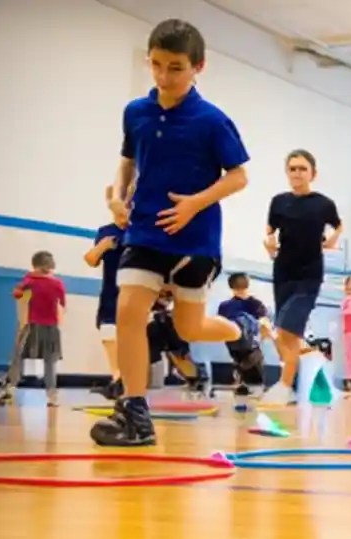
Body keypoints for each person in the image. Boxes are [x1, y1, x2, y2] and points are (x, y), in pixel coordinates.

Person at [93, 19, 250, 446]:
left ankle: (242, 333)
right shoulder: (135, 112)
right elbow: (128, 159)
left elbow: (238, 177)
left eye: (176, 67)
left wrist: (195, 202)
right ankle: (135, 411)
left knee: (190, 326)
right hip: (144, 232)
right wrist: (119, 198)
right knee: (128, 312)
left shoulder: (213, 121)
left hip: (195, 239)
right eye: (157, 65)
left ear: (198, 66)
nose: (165, 76)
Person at [261, 149, 342, 406]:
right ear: (287, 172)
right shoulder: (278, 202)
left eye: (302, 169)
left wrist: (333, 239)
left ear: (313, 173)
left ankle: (285, 385)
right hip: (283, 270)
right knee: (284, 335)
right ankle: (301, 372)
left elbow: (338, 225)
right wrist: (269, 242)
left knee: (288, 329)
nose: (297, 173)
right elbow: (270, 230)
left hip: (309, 273)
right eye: (292, 168)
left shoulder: (323, 204)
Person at [0, 251, 66, 407]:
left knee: (19, 358)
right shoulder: (56, 283)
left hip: (32, 325)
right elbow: (62, 304)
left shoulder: (30, 281)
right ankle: (51, 397)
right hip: (49, 327)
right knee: (49, 362)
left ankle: (10, 389)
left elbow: (17, 294)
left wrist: (28, 280)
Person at [85, 203, 125, 400]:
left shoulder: (141, 231)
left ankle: (123, 381)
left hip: (136, 291)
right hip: (111, 292)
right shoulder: (106, 231)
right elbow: (91, 259)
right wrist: (104, 246)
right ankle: (118, 379)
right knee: (108, 333)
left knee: (130, 338)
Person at [217, 272, 269, 395]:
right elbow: (264, 325)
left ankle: (240, 378)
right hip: (252, 346)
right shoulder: (256, 304)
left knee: (241, 360)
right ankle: (250, 382)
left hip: (233, 345)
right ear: (248, 284)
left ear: (231, 286)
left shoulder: (224, 306)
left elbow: (220, 326)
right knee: (255, 365)